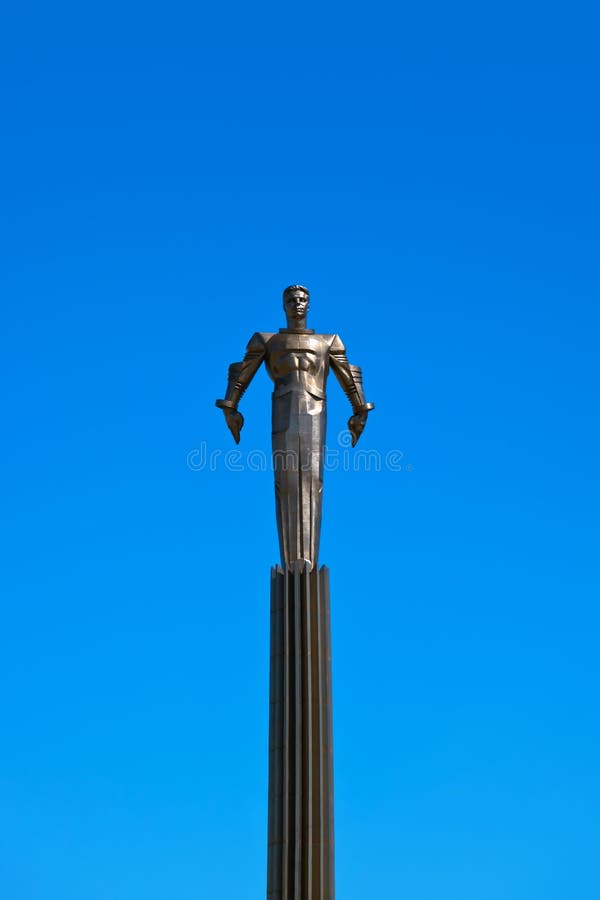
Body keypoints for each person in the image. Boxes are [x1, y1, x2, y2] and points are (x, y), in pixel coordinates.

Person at [216, 285, 374, 570]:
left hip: (316, 411)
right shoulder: (267, 341)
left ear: (309, 305)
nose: (297, 303)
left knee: (313, 479)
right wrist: (231, 406)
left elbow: (350, 380)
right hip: (283, 410)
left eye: (302, 299)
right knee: (287, 481)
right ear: (283, 306)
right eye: (291, 299)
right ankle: (290, 561)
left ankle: (309, 560)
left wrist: (360, 410)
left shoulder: (329, 342)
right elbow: (241, 375)